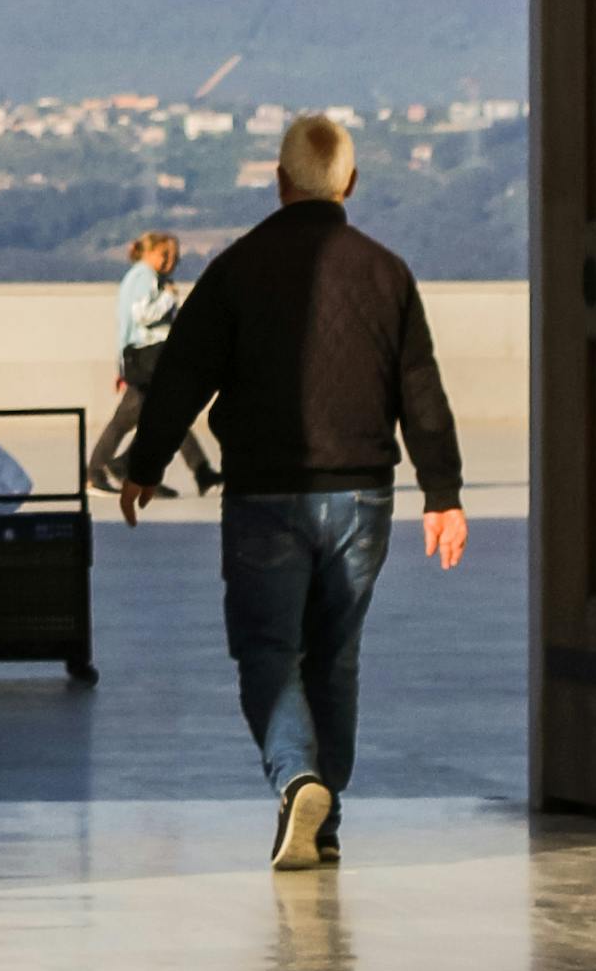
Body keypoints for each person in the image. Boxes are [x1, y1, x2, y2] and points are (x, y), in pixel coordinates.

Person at [120, 110, 465, 871]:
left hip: (265, 494)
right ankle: (325, 817)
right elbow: (422, 390)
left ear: (279, 182)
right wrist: (443, 493)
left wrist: (144, 464)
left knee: (268, 653)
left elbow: (181, 374)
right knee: (334, 658)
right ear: (350, 182)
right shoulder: (386, 271)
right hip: (364, 493)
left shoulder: (237, 268)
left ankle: (297, 779)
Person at [86, 230, 218, 496]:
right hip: (148, 357)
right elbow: (141, 315)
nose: (171, 261)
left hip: (143, 358)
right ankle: (110, 470)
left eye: (175, 256)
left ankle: (129, 470)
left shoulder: (145, 277)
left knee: (160, 417)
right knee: (163, 417)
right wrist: (169, 296)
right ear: (150, 252)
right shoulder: (144, 277)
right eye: (166, 254)